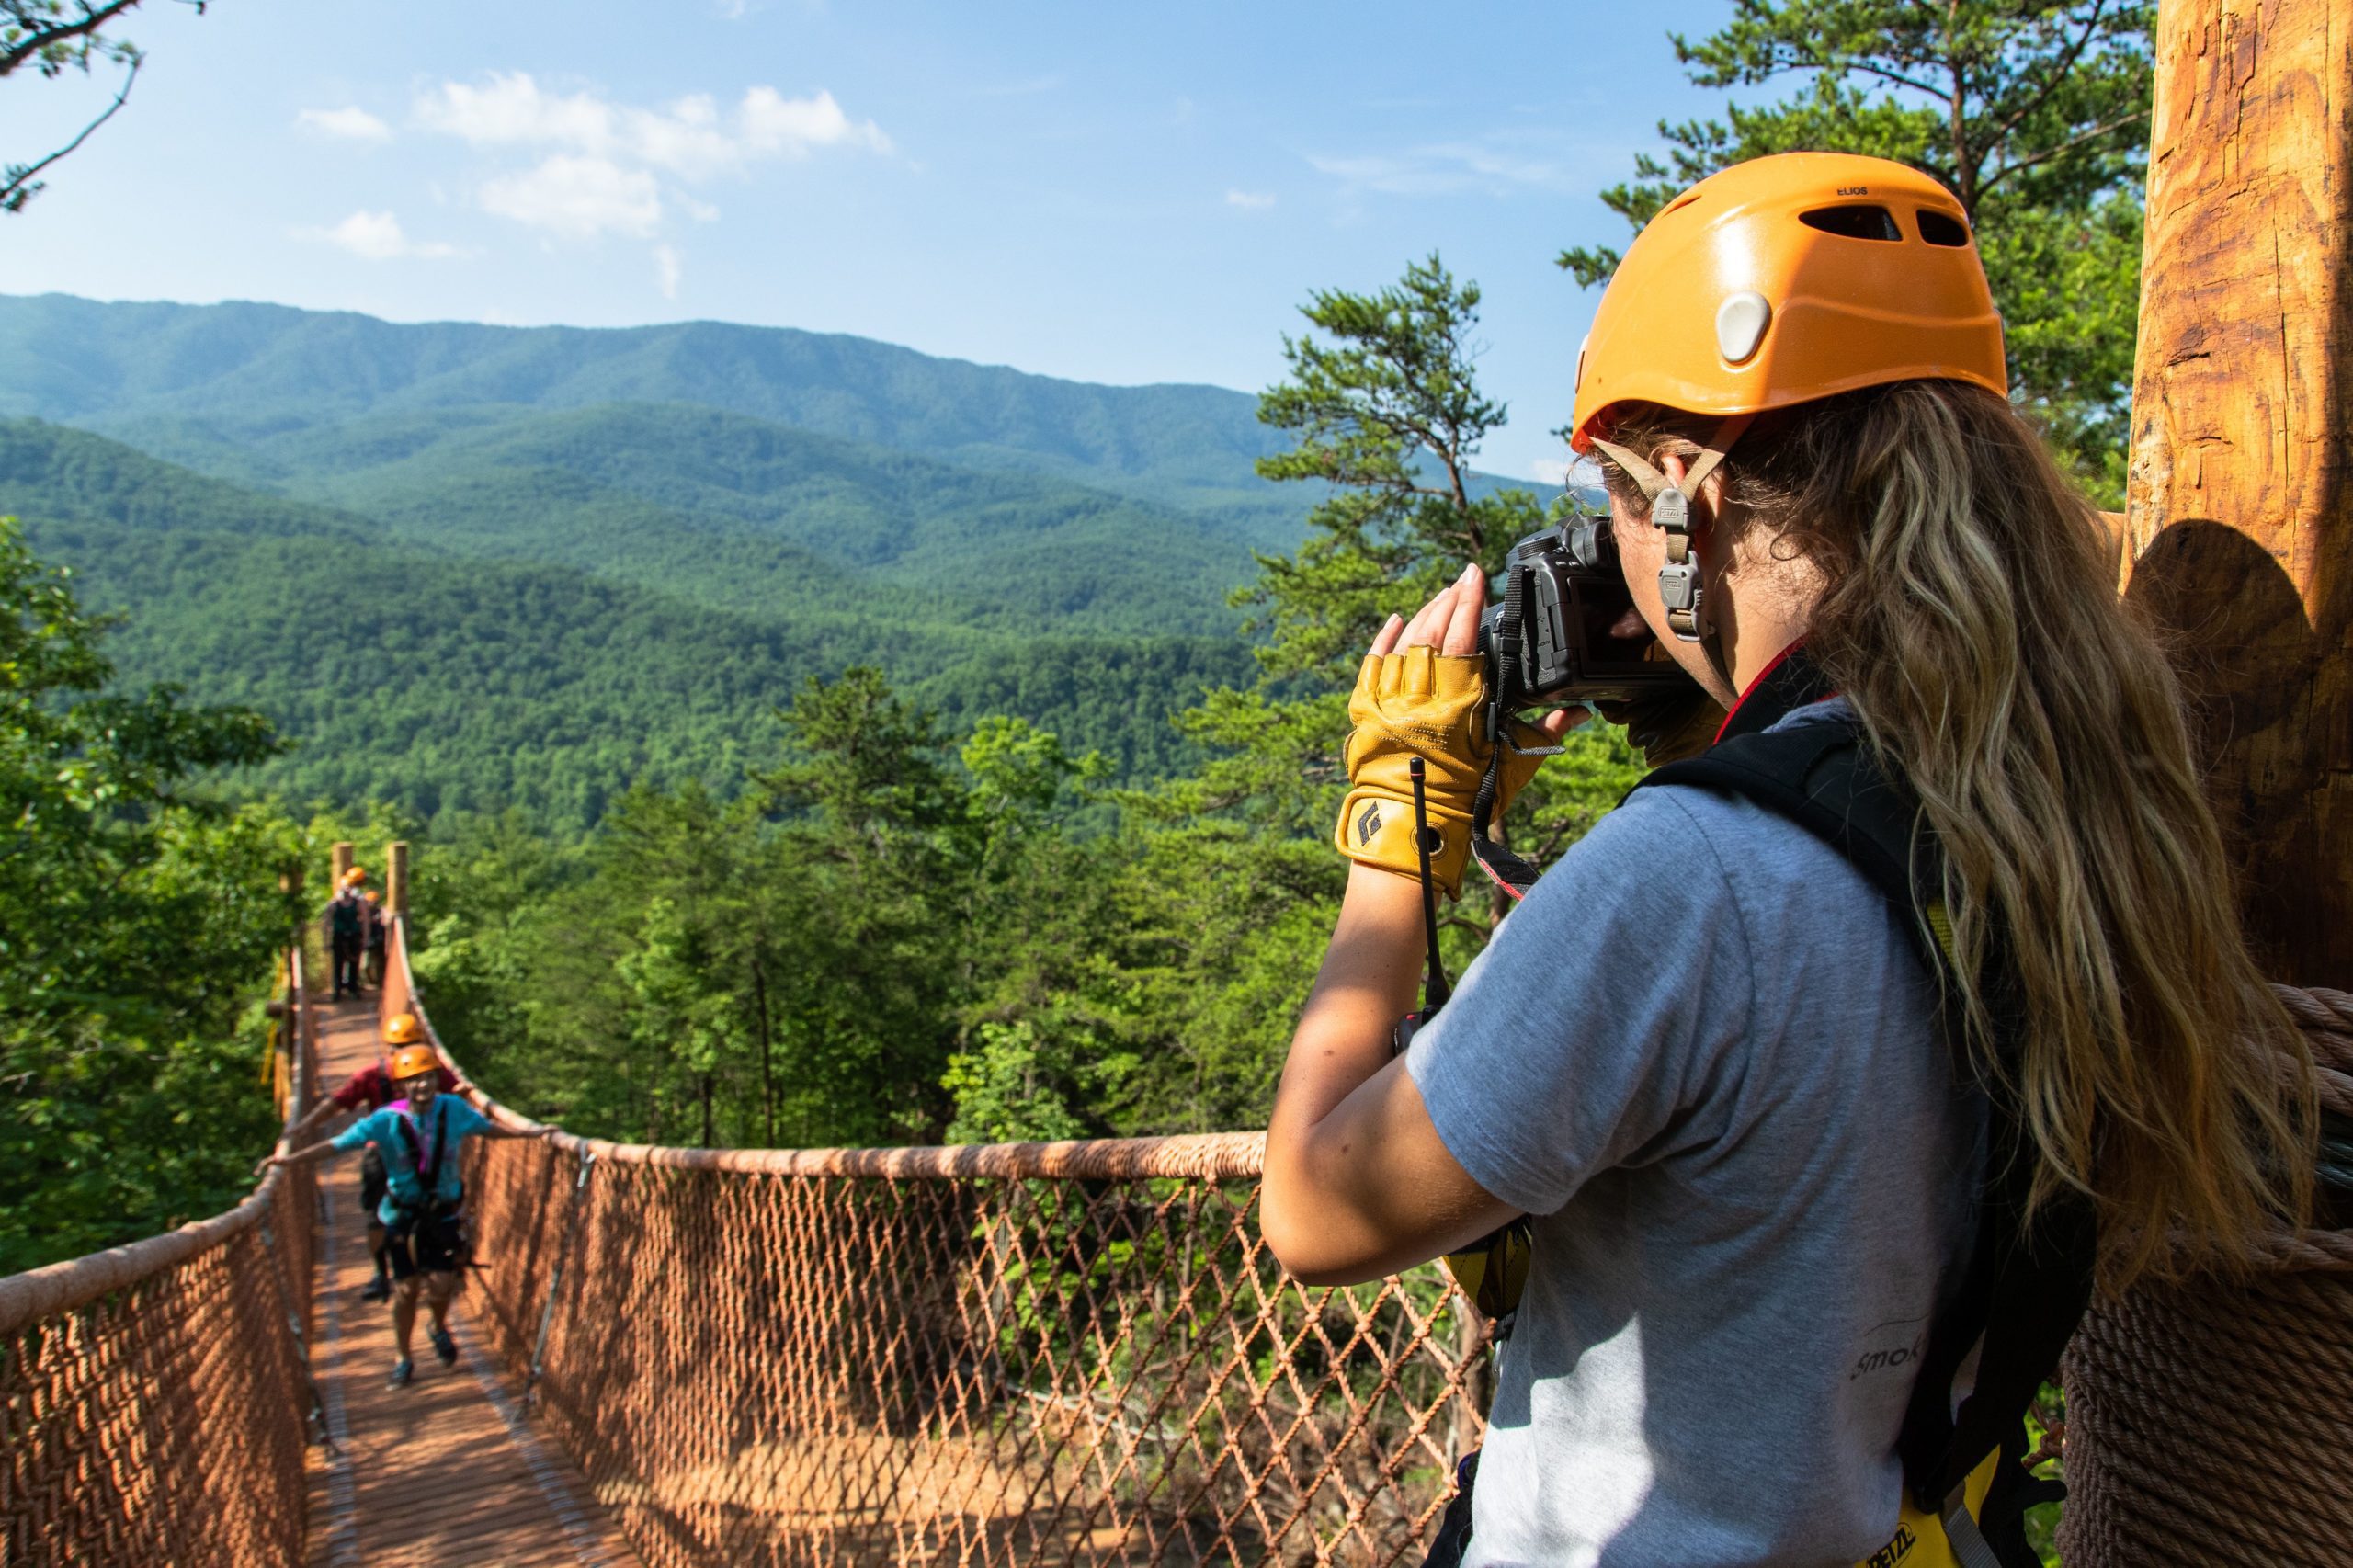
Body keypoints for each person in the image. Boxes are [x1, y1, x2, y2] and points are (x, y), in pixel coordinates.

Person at [1259, 153, 2311, 1568]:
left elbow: (1319, 1206)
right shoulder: (2075, 817)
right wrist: (1720, 720)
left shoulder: (1697, 882)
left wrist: (1401, 819)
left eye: (1619, 495)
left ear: (1689, 501)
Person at [263, 1039, 550, 1386]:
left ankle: (437, 1326)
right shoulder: (384, 1121)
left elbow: (490, 1131)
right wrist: (289, 1160)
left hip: (443, 1213)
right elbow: (336, 1146)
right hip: (403, 1217)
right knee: (407, 1290)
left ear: (436, 1080)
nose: (422, 1085)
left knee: (443, 1284)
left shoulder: (453, 1110)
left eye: (428, 1077)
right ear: (401, 1085)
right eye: (414, 1080)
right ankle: (403, 1356)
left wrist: (533, 1134)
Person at [280, 1011, 457, 1301]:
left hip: (408, 1154)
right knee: (385, 1215)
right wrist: (303, 1126)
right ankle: (390, 1271)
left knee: (416, 1210)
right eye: (403, 1047)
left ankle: (403, 1270)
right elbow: (338, 1102)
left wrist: (304, 1125)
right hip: (402, 1154)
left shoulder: (398, 1072)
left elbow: (337, 1103)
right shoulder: (391, 1073)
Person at [324, 867, 369, 1000]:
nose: (347, 890)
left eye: (350, 887)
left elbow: (365, 921)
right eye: (345, 887)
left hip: (354, 936)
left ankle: (353, 989)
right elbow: (326, 923)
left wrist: (365, 938)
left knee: (354, 963)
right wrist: (325, 941)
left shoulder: (358, 903)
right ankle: (337, 991)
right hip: (339, 936)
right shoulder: (333, 904)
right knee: (338, 964)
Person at [360, 888, 388, 990]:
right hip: (367, 941)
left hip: (379, 941)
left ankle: (381, 984)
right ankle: (369, 982)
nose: (372, 903)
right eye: (370, 901)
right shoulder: (363, 913)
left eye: (374, 901)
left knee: (380, 964)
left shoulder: (381, 911)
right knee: (365, 965)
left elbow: (387, 919)